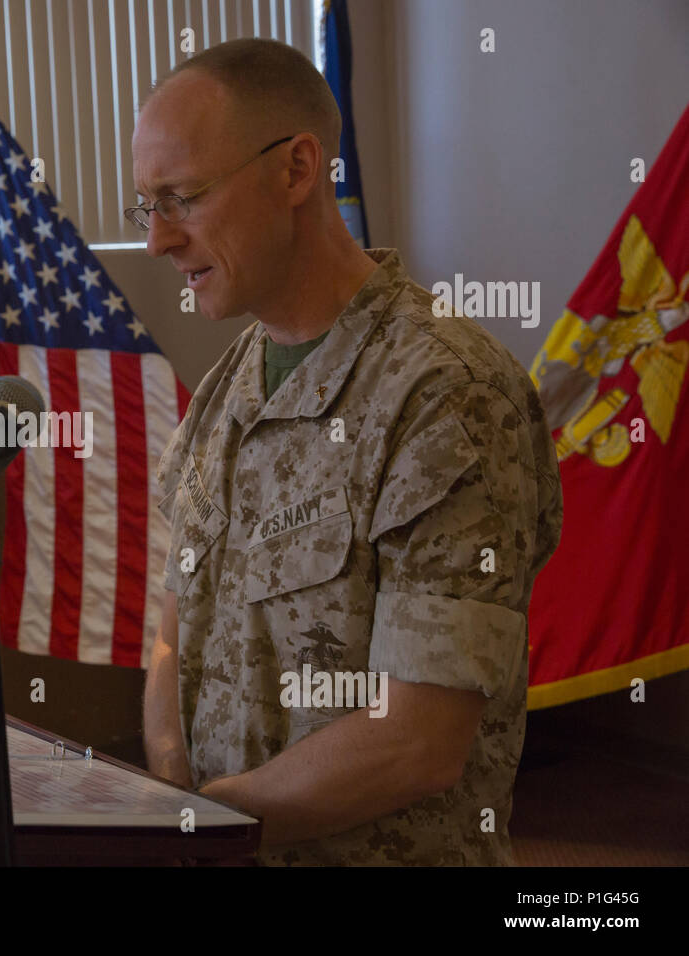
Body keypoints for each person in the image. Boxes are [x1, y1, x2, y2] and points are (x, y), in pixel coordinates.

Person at [132, 38, 563, 865]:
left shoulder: (444, 393)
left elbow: (418, 740)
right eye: (144, 206)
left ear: (297, 171)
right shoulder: (223, 395)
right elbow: (171, 633)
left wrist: (208, 827)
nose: (157, 240)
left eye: (181, 198)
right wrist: (173, 791)